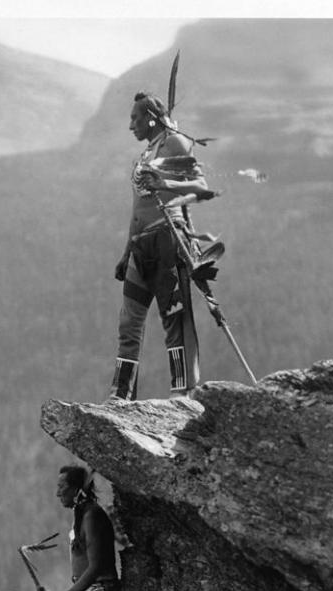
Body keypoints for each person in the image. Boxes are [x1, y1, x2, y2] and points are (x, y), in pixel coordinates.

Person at [109, 90, 212, 401]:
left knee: (174, 321)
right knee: (129, 323)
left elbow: (201, 188)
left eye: (135, 118)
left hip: (168, 240)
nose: (131, 126)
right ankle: (121, 394)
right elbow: (137, 207)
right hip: (140, 247)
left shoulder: (175, 143)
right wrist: (126, 252)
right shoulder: (145, 155)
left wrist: (164, 183)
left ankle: (181, 393)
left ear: (151, 117)